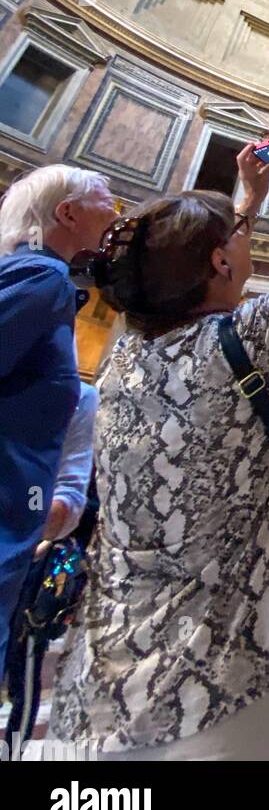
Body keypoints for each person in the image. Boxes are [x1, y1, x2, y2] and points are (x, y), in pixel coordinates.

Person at [49, 131, 269, 760]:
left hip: (113, 682)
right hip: (245, 670)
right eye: (238, 237)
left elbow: (197, 266)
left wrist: (246, 202)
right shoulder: (260, 333)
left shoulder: (121, 355)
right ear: (219, 263)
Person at [0, 164, 116, 683]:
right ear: (67, 213)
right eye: (105, 199)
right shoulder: (42, 277)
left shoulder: (46, 280)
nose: (116, 210)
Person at [4, 377, 98, 754]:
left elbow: (61, 497)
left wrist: (30, 510)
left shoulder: (76, 399)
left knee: (24, 670)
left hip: (32, 564)